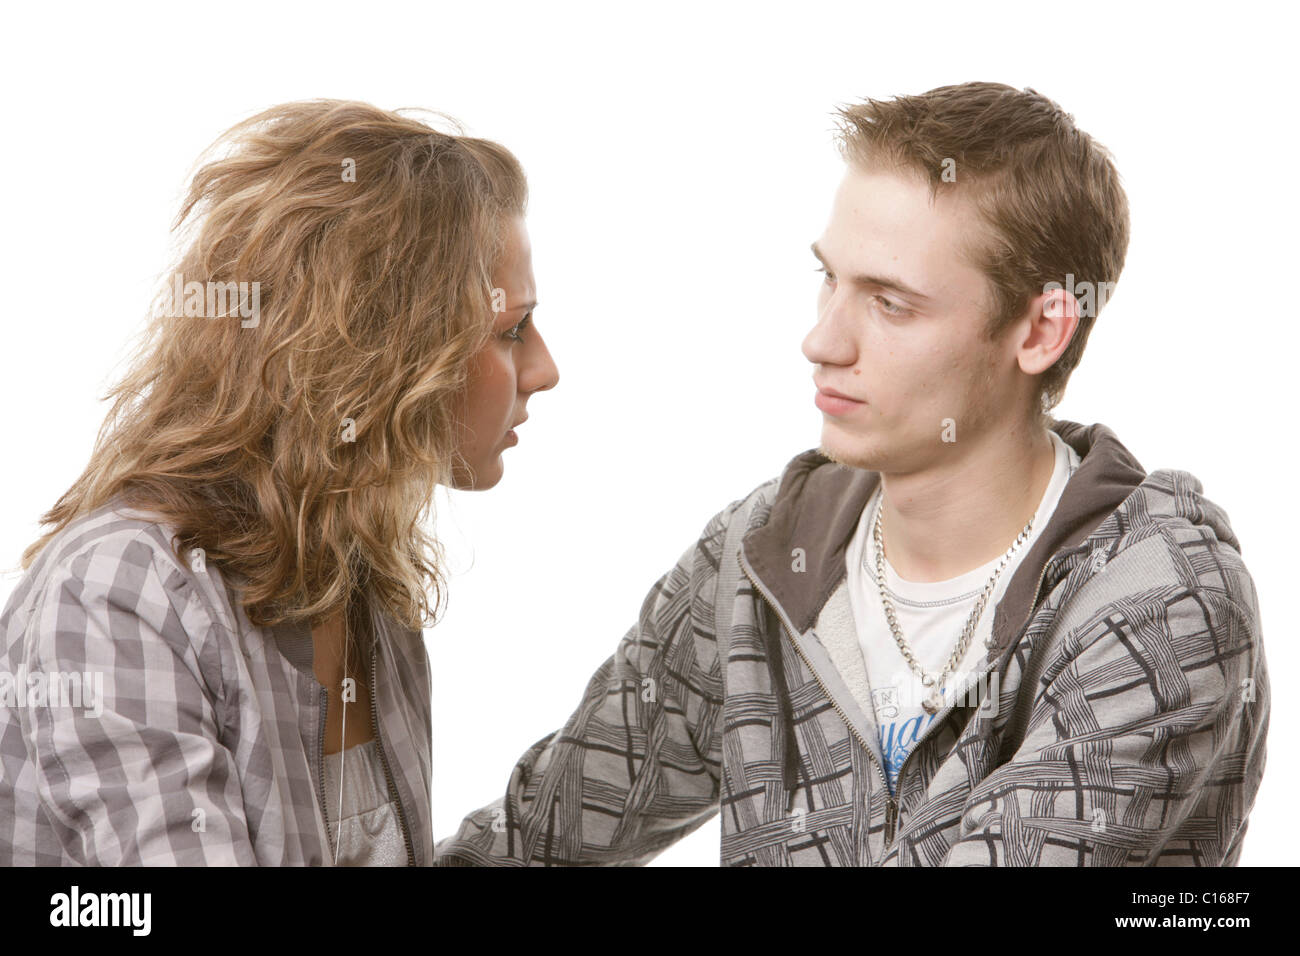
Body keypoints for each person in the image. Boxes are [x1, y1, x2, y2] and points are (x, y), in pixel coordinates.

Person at [435, 82, 1269, 866]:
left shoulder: (1161, 600)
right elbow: (535, 840)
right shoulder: (762, 557)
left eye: (890, 302)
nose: (823, 341)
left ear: (1042, 330)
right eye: (828, 279)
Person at [0, 99, 558, 865]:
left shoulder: (357, 576)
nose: (545, 370)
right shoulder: (122, 593)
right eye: (510, 331)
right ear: (375, 353)